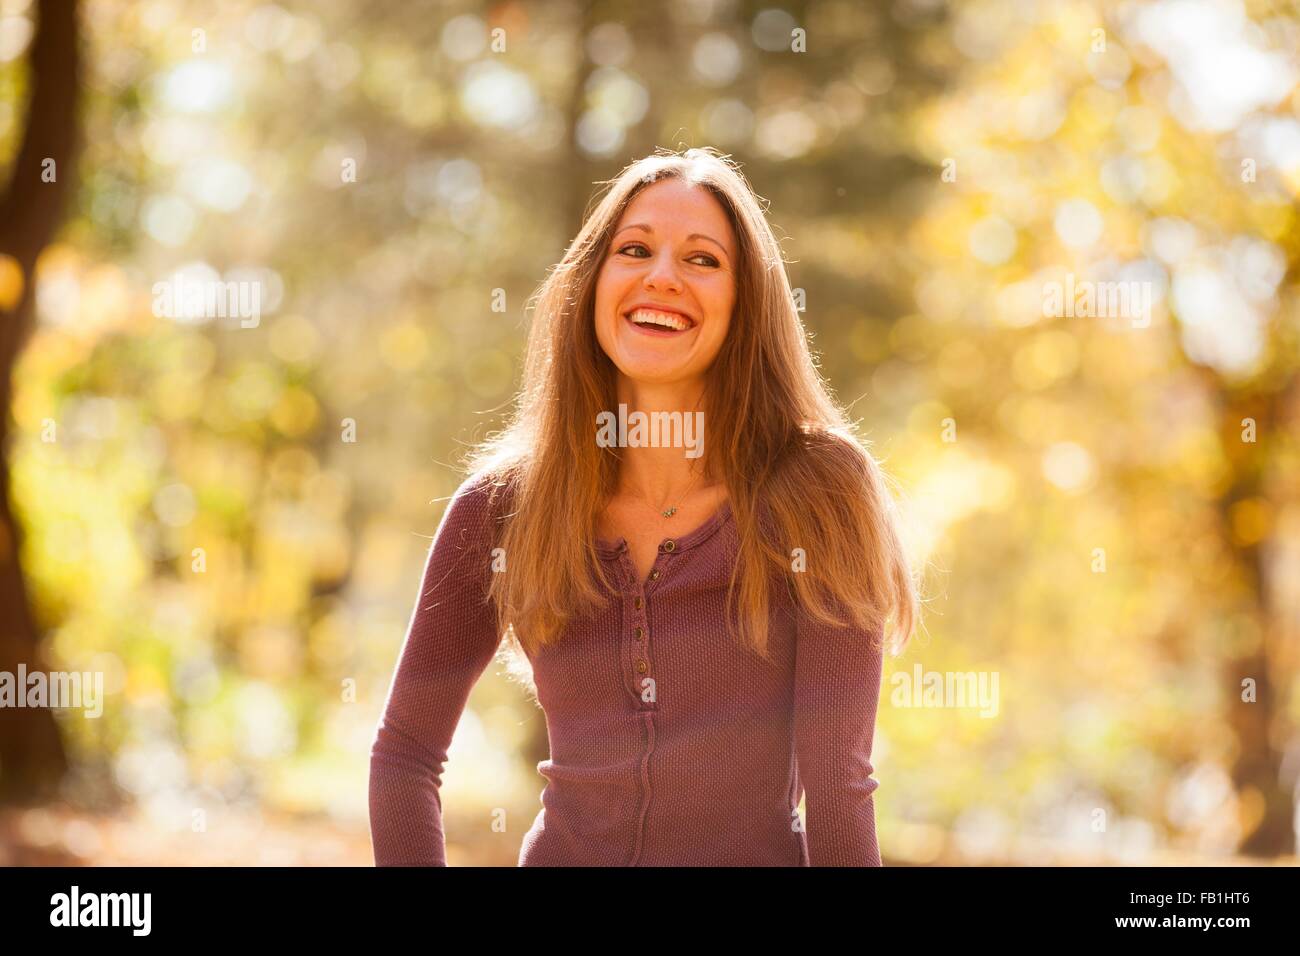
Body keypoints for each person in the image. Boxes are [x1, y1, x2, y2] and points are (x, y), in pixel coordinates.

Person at [369, 146, 918, 866]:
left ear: (746, 301)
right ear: (593, 282)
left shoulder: (818, 492)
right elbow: (406, 754)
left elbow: (839, 788)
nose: (662, 277)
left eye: (702, 259)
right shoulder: (503, 507)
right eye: (635, 250)